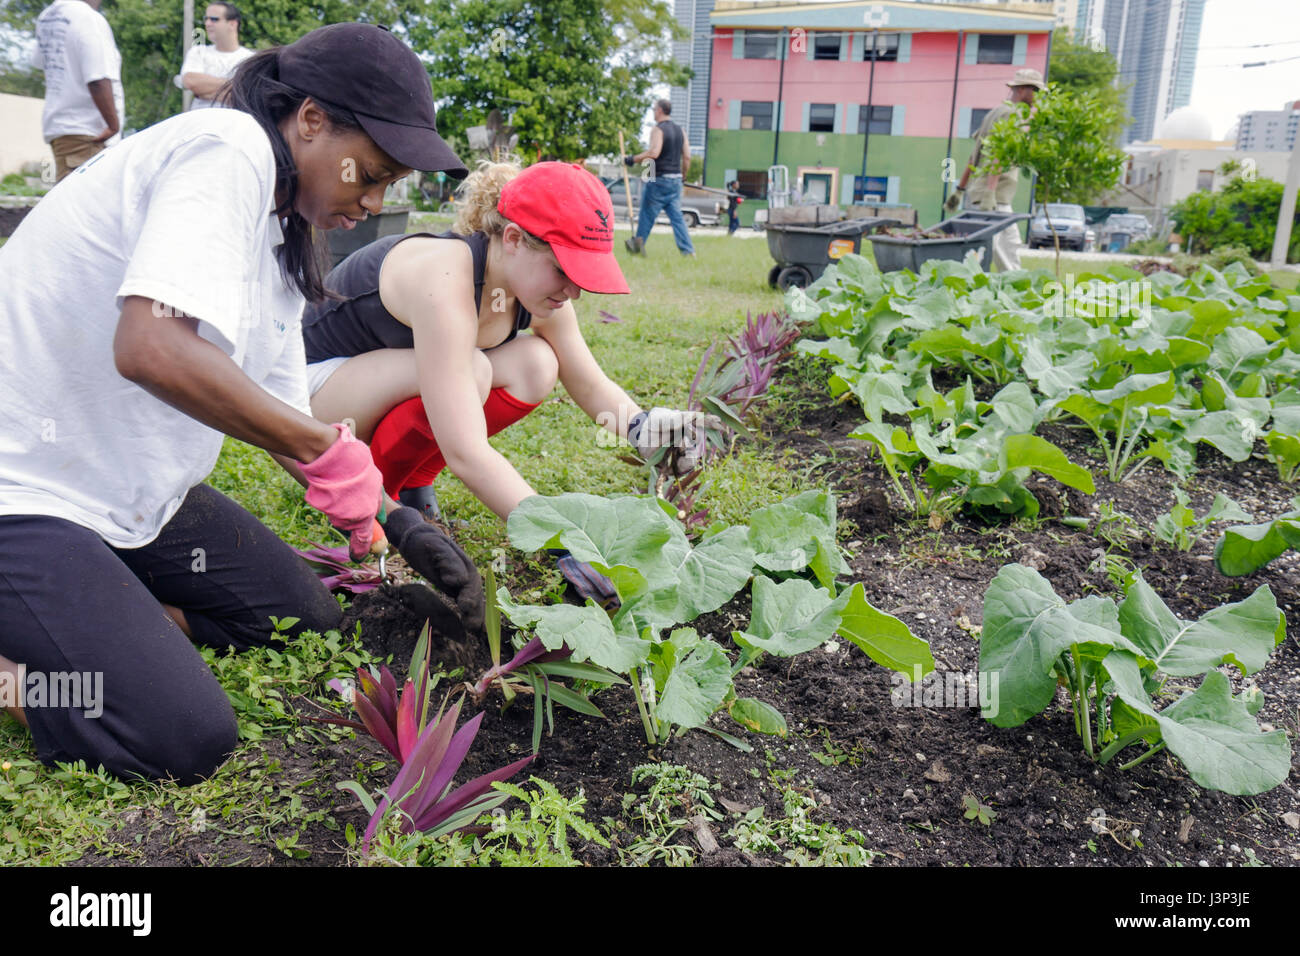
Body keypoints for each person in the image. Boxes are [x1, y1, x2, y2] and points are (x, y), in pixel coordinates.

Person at [0, 23, 479, 786]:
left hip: (128, 491)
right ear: (311, 120)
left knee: (301, 618)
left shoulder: (281, 231)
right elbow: (150, 347)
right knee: (179, 733)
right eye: (372, 173)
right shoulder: (225, 148)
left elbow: (288, 417)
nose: (374, 200)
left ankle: (104, 621)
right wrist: (331, 454)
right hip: (24, 490)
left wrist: (394, 519)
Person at [302, 160, 718, 604]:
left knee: (537, 362)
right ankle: (371, 493)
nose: (573, 290)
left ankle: (414, 484)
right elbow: (467, 451)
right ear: (515, 239)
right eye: (564, 270)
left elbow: (589, 381)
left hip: (377, 382)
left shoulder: (533, 288)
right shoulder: (445, 279)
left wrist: (643, 427)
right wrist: (561, 541)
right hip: (315, 401)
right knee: (473, 372)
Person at [945, 67, 1045, 271]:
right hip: (993, 200)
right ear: (1025, 90)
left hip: (981, 195)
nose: (1037, 97)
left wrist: (960, 189)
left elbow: (974, 156)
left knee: (1002, 251)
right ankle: (1014, 296)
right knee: (1004, 255)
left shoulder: (995, 113)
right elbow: (999, 154)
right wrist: (990, 192)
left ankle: (1007, 293)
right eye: (1036, 91)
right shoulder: (1013, 115)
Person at [31, 0, 124, 182]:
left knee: (72, 199)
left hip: (62, 128)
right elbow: (97, 78)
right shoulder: (88, 19)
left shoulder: (47, 16)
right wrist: (113, 124)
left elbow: (39, 62)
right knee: (85, 205)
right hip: (88, 133)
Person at [623, 99, 695, 257]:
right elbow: (687, 157)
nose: (653, 112)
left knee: (646, 217)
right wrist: (683, 175)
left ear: (660, 110)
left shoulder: (658, 129)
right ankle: (688, 252)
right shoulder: (680, 130)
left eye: (654, 109)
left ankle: (636, 250)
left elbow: (653, 153)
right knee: (678, 219)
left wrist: (631, 159)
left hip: (659, 181)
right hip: (676, 181)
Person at [179, 2, 254, 110]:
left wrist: (204, 91)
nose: (207, 23)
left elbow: (250, 96)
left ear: (232, 24)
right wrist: (235, 87)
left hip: (234, 124)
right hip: (200, 123)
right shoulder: (198, 52)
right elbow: (191, 82)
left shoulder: (250, 59)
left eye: (214, 19)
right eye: (206, 19)